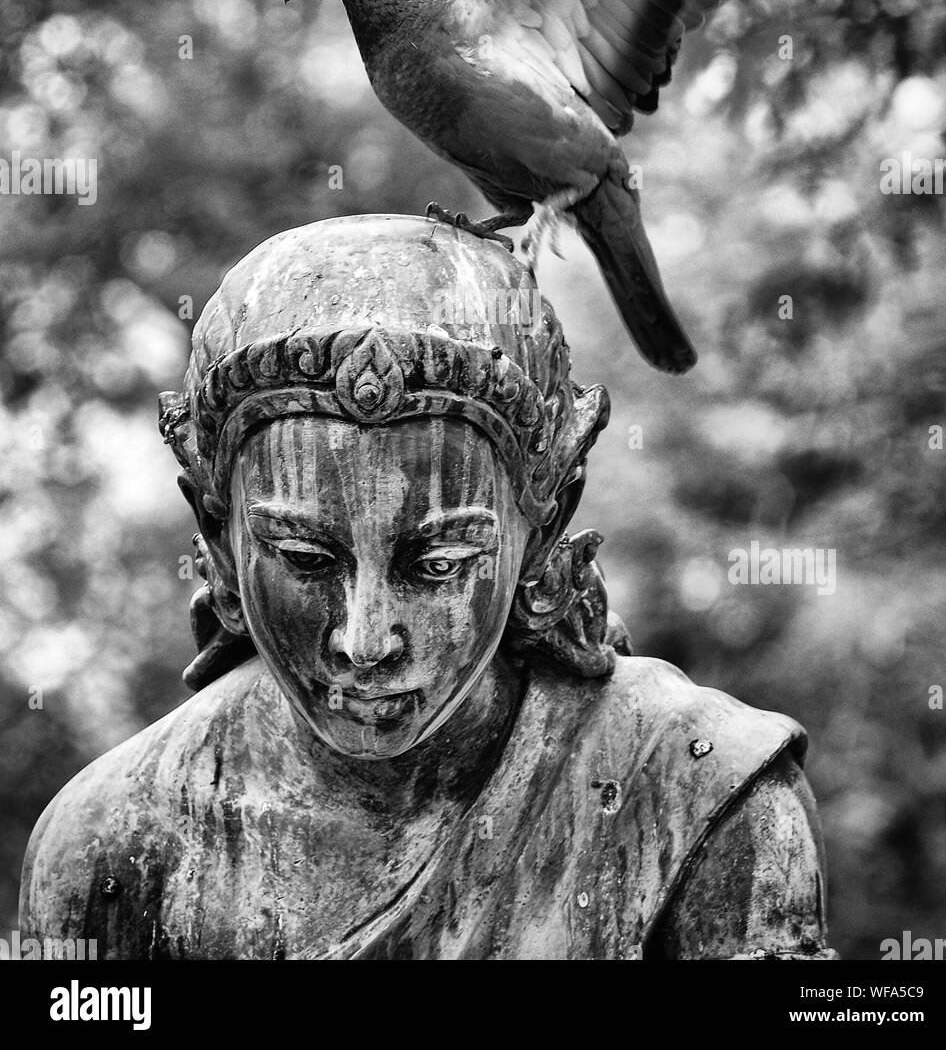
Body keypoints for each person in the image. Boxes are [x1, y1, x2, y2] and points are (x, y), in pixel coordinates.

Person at [20, 215, 834, 960]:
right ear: (218, 533)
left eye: (439, 565)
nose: (364, 639)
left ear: (541, 526)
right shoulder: (114, 844)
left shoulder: (697, 795)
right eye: (305, 560)